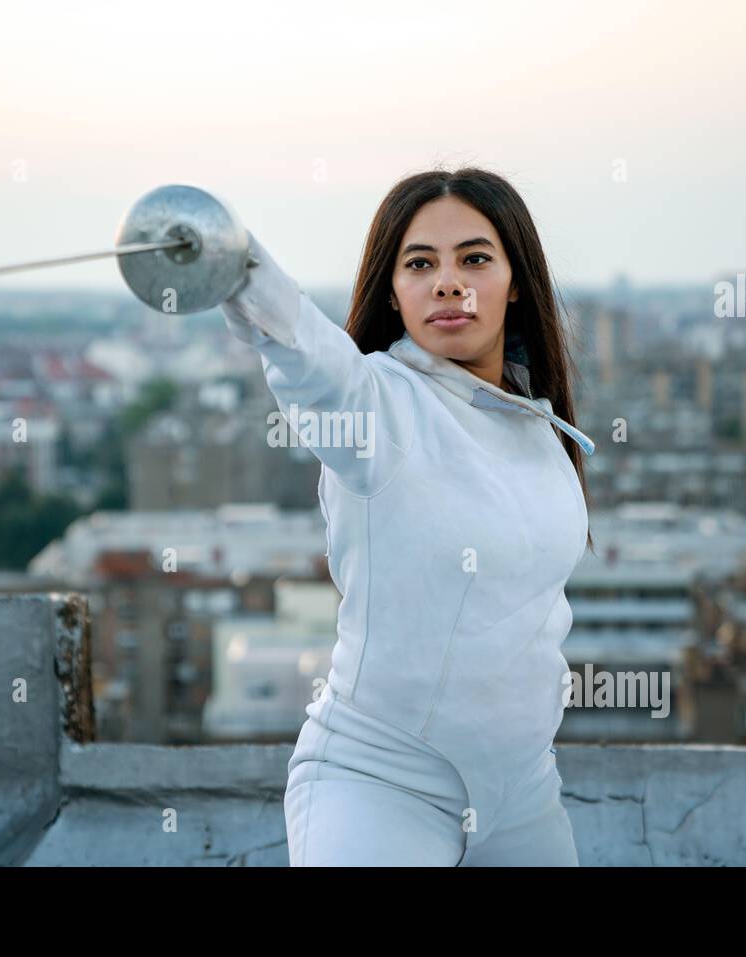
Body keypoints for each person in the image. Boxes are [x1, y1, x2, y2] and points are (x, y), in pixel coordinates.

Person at [221, 166, 594, 866]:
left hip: (522, 796)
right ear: (393, 292)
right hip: (377, 788)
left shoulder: (538, 427)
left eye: (475, 259)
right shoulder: (376, 406)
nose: (448, 282)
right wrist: (232, 261)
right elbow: (309, 358)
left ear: (516, 280)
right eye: (420, 263)